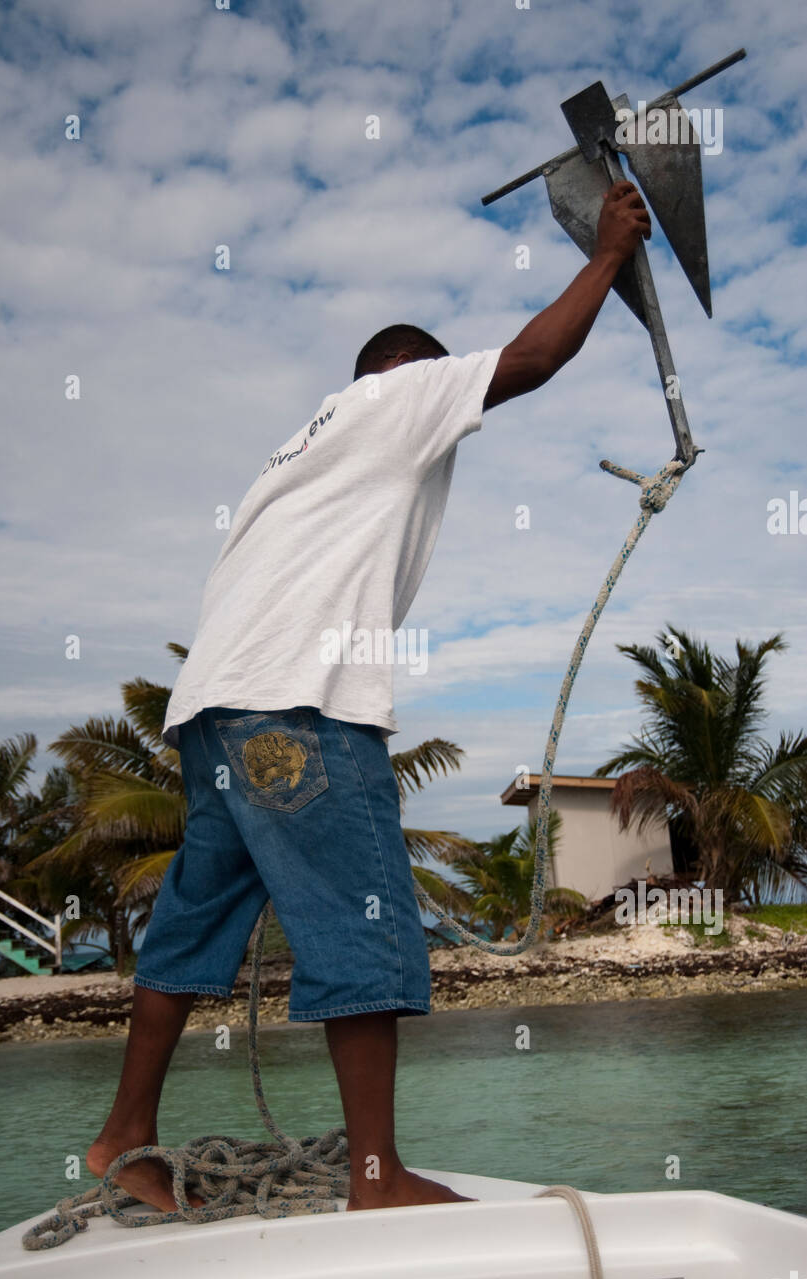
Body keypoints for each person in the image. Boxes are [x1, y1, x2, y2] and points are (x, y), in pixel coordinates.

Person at [87, 180, 651, 1213]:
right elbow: (531, 360)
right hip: (297, 703)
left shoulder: (293, 453)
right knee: (365, 917)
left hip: (212, 711)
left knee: (190, 927)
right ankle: (377, 1177)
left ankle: (124, 1136)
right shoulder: (396, 397)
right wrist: (610, 254)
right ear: (410, 372)